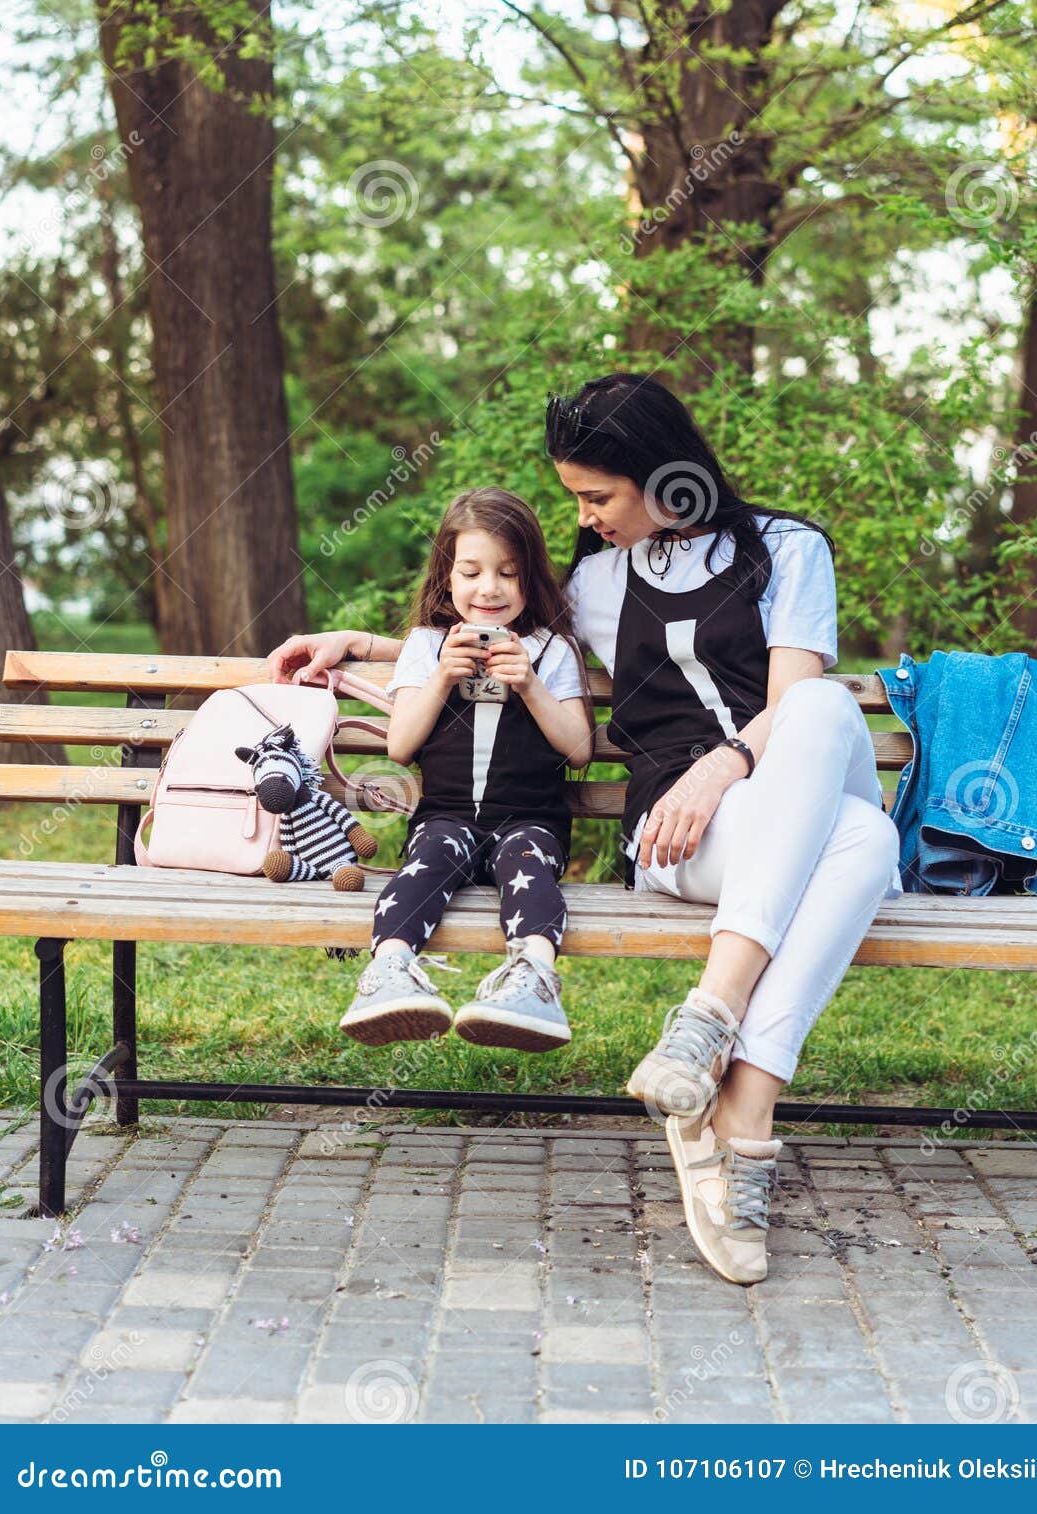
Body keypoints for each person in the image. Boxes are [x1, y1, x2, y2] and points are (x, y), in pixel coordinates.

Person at [542, 373, 902, 1284]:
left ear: (661, 476)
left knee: (819, 706)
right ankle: (743, 1113)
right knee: (866, 843)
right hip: (681, 837)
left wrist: (724, 762)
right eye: (575, 499)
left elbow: (792, 710)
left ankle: (707, 1018)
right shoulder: (596, 578)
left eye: (597, 495)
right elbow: (480, 618)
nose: (585, 517)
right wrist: (359, 648)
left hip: (780, 785)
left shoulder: (785, 549)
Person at [269, 488, 593, 1053]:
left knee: (529, 868)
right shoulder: (425, 648)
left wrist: (530, 685)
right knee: (424, 863)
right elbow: (401, 745)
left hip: (531, 822)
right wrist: (441, 677)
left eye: (507, 573)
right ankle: (389, 972)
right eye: (471, 571)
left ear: (530, 579)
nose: (488, 588)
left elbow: (580, 751)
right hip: (444, 818)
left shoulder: (552, 650)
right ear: (448, 577)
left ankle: (533, 981)